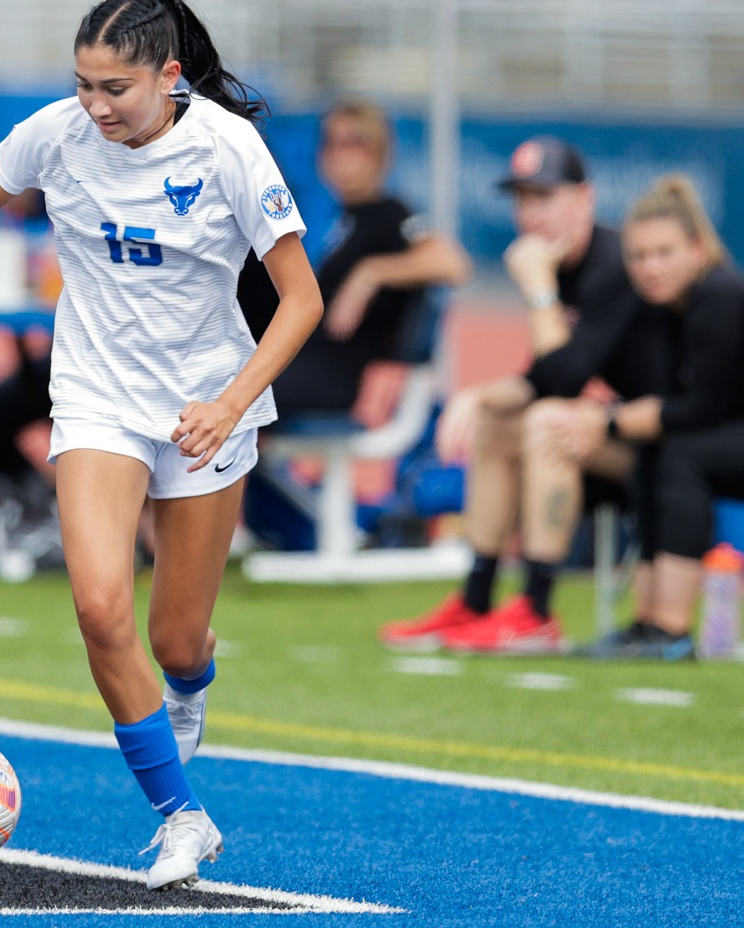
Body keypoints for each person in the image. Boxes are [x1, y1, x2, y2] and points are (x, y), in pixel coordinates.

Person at [0, 0, 322, 889]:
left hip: (204, 411)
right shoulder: (57, 133)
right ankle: (180, 817)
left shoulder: (228, 147)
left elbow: (300, 300)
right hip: (97, 398)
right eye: (83, 85)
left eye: (116, 88)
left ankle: (186, 689)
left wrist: (229, 402)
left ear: (169, 76)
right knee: (100, 607)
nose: (96, 106)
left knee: (177, 640)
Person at [379, 138, 669, 654]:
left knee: (549, 421)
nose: (530, 214)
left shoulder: (616, 262)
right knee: (499, 423)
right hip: (616, 433)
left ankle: (536, 611)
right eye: (522, 200)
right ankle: (476, 600)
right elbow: (540, 377)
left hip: (671, 444)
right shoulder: (563, 263)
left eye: (544, 197)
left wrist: (537, 285)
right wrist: (478, 398)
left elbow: (564, 381)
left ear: (585, 199)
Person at [576, 176, 743, 660]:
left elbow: (701, 407)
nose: (650, 267)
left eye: (664, 252)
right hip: (722, 435)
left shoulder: (719, 293)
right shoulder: (659, 305)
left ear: (695, 248)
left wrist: (608, 422)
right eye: (638, 255)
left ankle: (672, 630)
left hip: (723, 436)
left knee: (681, 453)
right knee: (654, 450)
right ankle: (647, 623)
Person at [240, 99, 470, 415]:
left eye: (353, 144)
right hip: (304, 365)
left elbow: (453, 264)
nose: (338, 155)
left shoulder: (389, 213)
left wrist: (370, 273)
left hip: (329, 379)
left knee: (226, 390)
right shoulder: (346, 217)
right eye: (330, 143)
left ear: (379, 153)